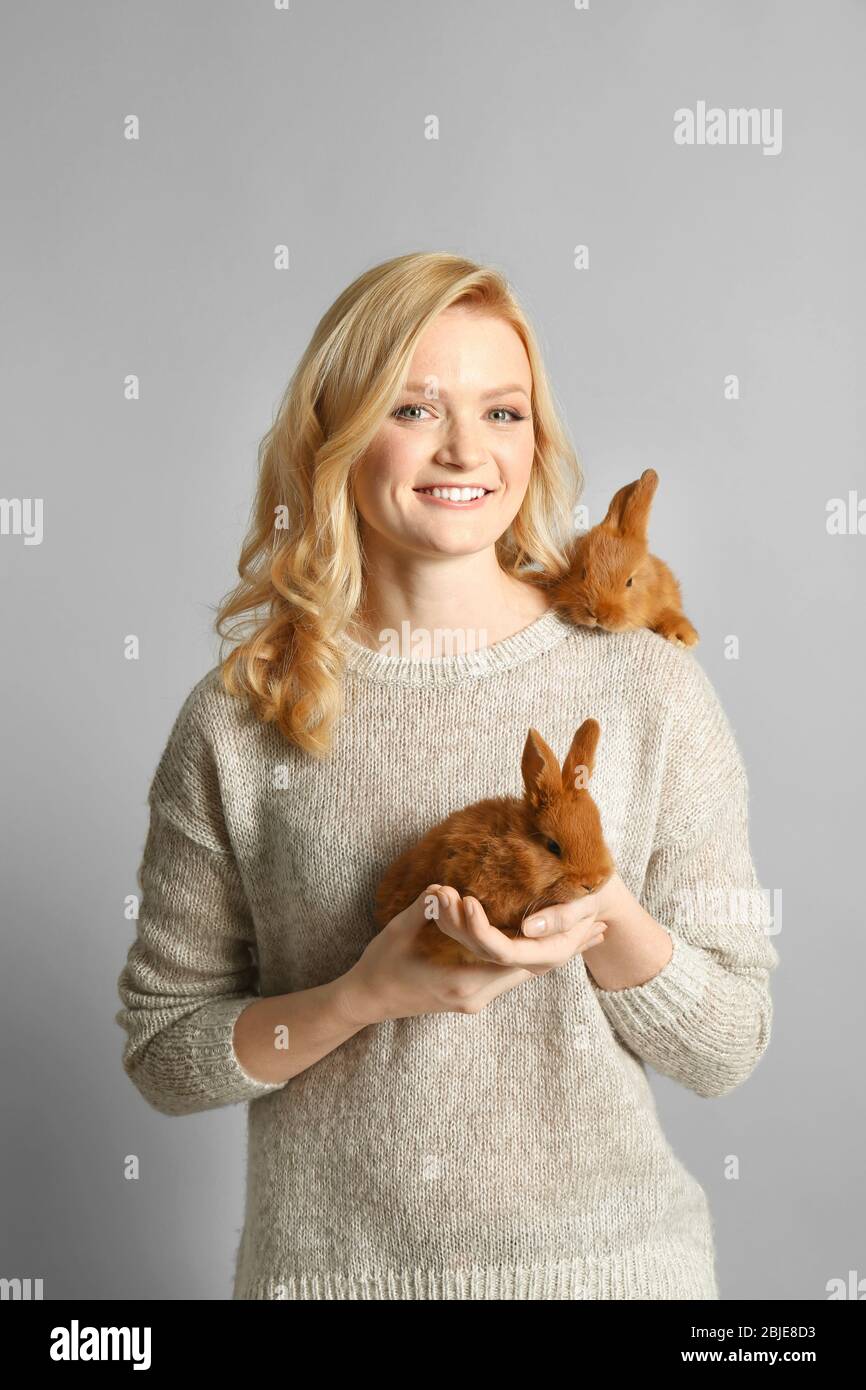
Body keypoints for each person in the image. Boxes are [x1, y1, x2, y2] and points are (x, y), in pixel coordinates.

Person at [115, 250, 779, 1300]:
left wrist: (601, 912)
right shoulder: (243, 717)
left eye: (502, 412)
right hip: (333, 1284)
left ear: (535, 439)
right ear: (336, 433)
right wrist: (360, 997)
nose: (465, 449)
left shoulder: (646, 685)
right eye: (414, 409)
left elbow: (729, 1044)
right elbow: (165, 1050)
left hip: (613, 1279)